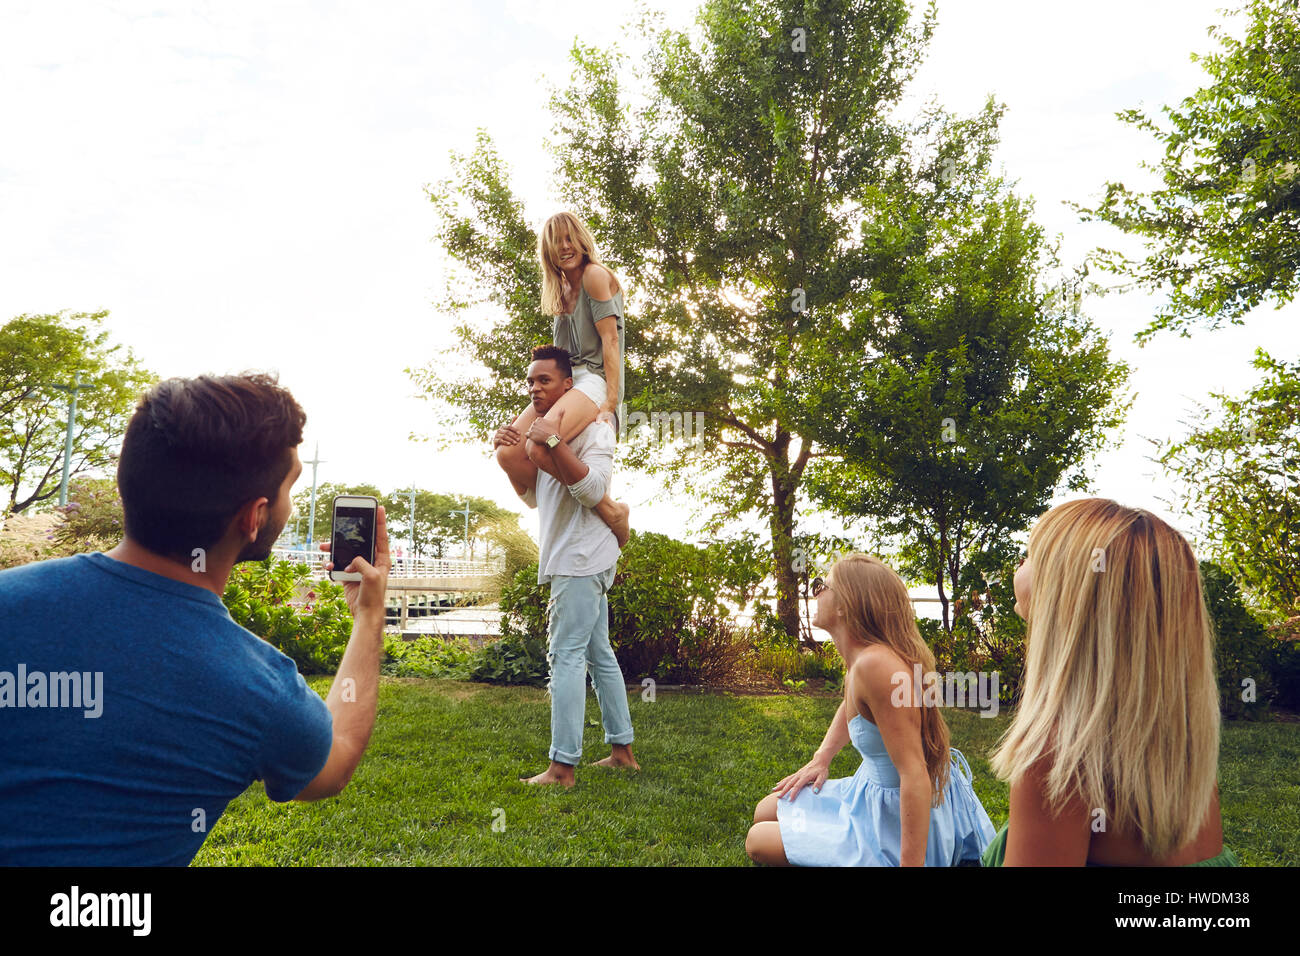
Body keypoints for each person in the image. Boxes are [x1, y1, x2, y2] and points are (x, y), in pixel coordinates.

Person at [0, 373, 390, 865]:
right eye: (291, 486)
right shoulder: (256, 688)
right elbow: (336, 759)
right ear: (254, 518)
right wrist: (369, 615)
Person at [983, 498, 1238, 866]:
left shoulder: (1059, 755)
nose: (1018, 565)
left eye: (1030, 553)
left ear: (1071, 591)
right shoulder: (1175, 741)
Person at [746, 554, 995, 866]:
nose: (815, 592)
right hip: (867, 793)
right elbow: (851, 706)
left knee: (758, 840)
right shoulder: (863, 659)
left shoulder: (876, 665)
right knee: (766, 810)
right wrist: (821, 758)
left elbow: (914, 773)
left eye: (822, 585)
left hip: (894, 815)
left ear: (845, 605)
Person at [494, 344, 638, 787]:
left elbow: (594, 488)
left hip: (583, 557)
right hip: (571, 553)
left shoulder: (596, 428)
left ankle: (562, 767)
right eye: (531, 382)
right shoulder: (543, 434)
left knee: (566, 656)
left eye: (545, 381)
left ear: (569, 385)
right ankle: (623, 751)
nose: (536, 389)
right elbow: (535, 496)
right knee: (598, 653)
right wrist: (510, 459)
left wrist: (551, 442)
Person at [495, 211, 631, 548]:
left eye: (570, 239)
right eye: (557, 243)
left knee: (540, 444)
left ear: (582, 241)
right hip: (568, 382)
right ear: (548, 252)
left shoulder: (595, 276)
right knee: (508, 453)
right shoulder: (559, 290)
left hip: (596, 379)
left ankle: (610, 510)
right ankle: (572, 494)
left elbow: (611, 342)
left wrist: (610, 403)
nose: (565, 247)